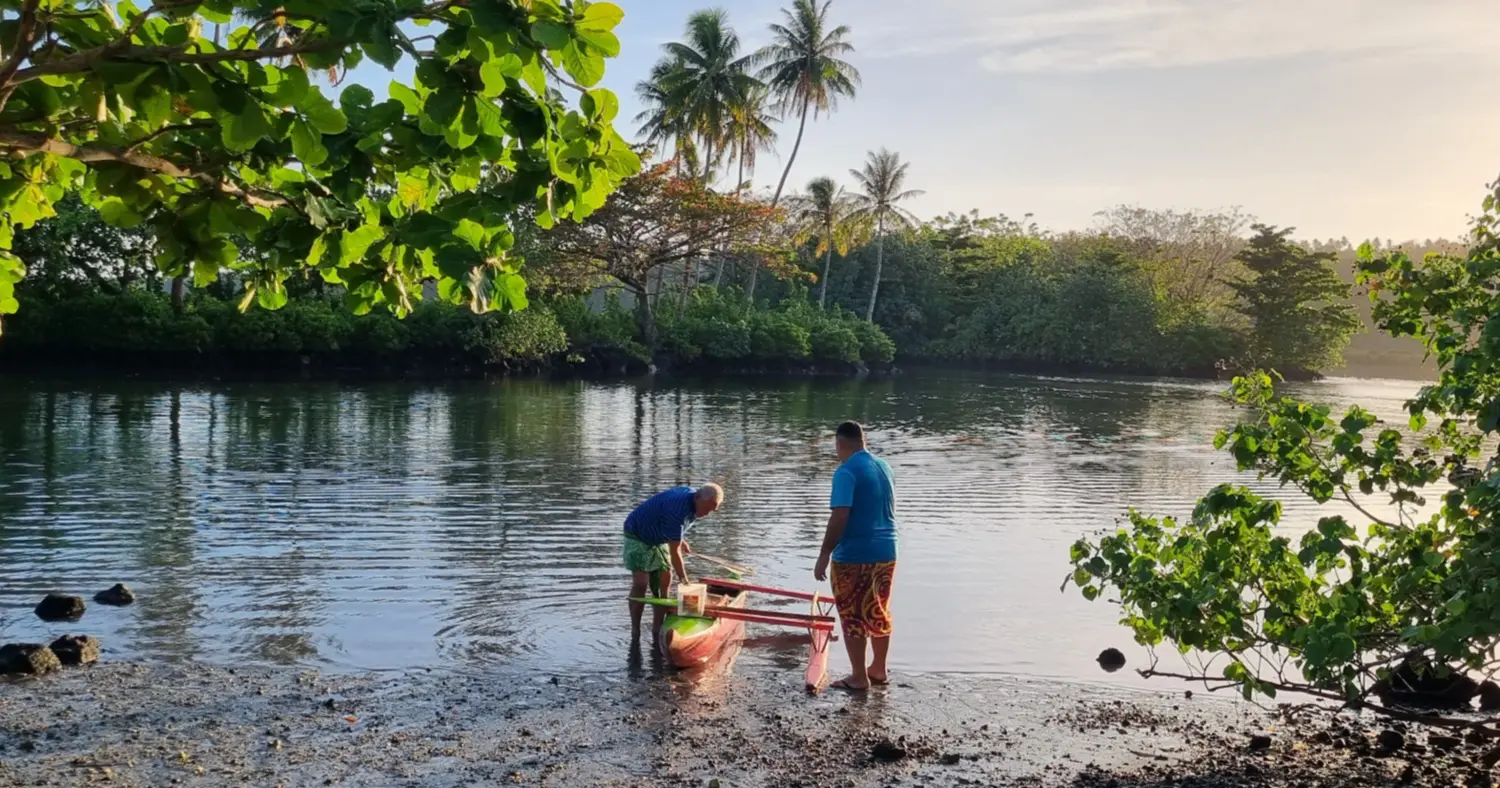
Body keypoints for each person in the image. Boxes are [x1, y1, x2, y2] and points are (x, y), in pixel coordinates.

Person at [814, 421, 898, 691]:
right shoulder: (884, 466)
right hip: (887, 550)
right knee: (878, 608)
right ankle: (878, 669)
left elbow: (840, 514)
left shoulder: (846, 472)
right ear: (864, 440)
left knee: (852, 614)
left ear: (839, 444)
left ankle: (859, 677)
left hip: (854, 553)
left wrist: (824, 553)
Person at [624, 482, 724, 643]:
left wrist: (679, 538)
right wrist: (685, 581)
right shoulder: (678, 510)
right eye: (708, 508)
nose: (708, 513)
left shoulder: (693, 499)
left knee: (665, 579)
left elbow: (673, 527)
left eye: (713, 510)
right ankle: (635, 630)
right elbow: (674, 552)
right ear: (698, 498)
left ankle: (658, 630)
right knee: (641, 582)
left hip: (659, 536)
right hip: (638, 533)